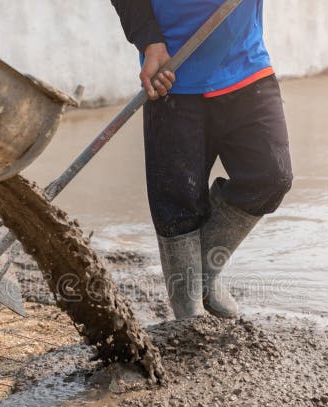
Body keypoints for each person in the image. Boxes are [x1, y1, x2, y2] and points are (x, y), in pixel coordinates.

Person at [111, 0, 293, 319]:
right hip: (172, 71)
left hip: (245, 64)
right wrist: (149, 42)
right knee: (177, 202)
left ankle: (203, 275)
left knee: (270, 177)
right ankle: (189, 313)